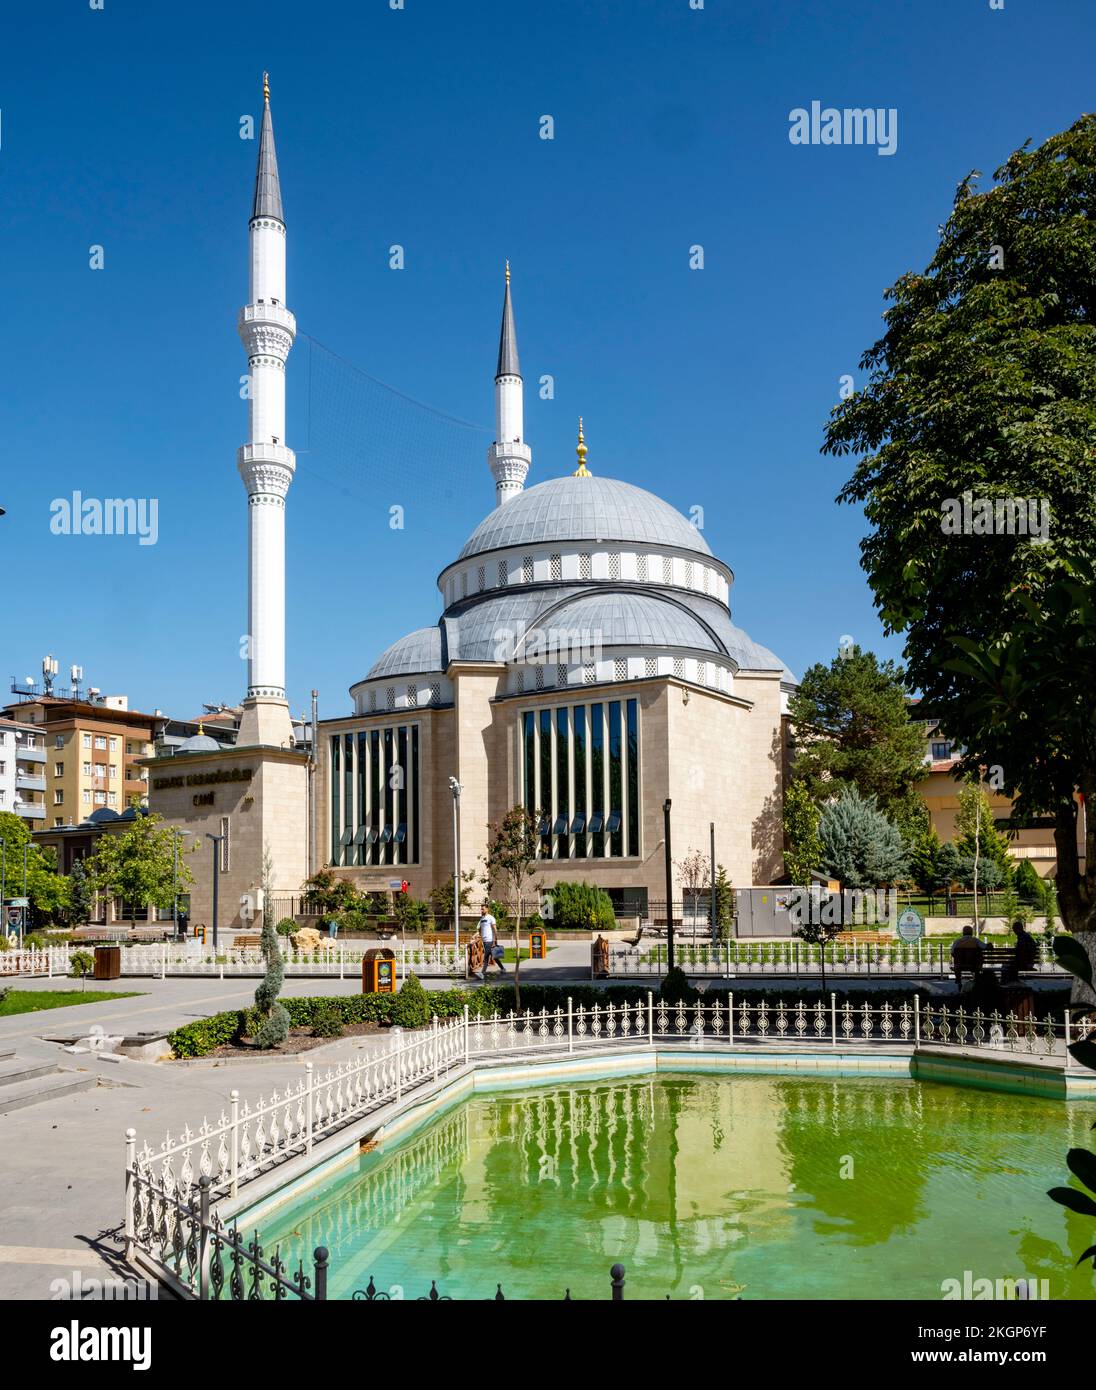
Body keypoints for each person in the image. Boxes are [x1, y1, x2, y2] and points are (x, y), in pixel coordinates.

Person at [475, 903, 506, 980]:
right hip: (484, 940)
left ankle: (482, 973)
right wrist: (476, 935)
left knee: (486, 956)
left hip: (489, 940)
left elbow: (495, 929)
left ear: (487, 909)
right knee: (494, 956)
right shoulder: (481, 919)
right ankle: (503, 969)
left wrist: (495, 939)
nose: (481, 910)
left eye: (483, 909)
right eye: (481, 909)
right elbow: (479, 930)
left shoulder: (491, 918)